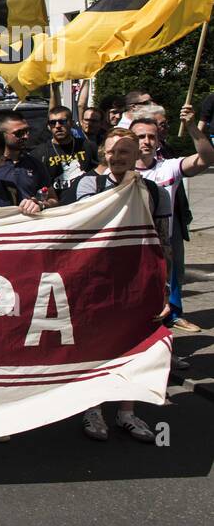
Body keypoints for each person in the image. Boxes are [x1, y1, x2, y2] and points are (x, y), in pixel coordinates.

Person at [75, 130, 169, 443]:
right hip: (97, 280)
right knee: (96, 345)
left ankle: (127, 411)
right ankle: (93, 408)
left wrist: (165, 286)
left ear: (136, 156)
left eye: (125, 152)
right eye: (112, 151)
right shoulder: (90, 185)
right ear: (103, 152)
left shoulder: (155, 192)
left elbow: (163, 241)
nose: (117, 157)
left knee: (135, 346)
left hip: (137, 281)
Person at [133, 106, 213, 333]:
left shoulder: (168, 168)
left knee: (162, 309)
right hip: (129, 253)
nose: (146, 141)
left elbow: (206, 158)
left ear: (158, 141)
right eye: (140, 137)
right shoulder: (119, 171)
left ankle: (166, 354)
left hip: (159, 254)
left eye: (151, 136)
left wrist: (191, 127)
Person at [0, 110, 55, 204]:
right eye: (19, 133)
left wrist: (41, 205)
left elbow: (53, 199)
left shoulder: (35, 164)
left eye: (27, 131)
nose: (25, 136)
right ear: (1, 135)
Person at [34, 105, 96, 198]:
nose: (57, 126)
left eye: (62, 122)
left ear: (71, 123)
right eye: (53, 123)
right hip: (58, 208)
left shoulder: (88, 146)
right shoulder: (39, 153)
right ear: (48, 126)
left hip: (85, 204)